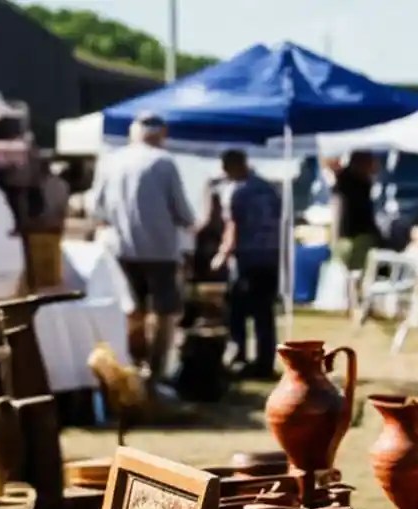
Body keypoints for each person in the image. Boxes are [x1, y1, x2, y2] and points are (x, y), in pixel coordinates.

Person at [88, 112, 195, 385]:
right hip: (159, 248)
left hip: (120, 247)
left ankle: (129, 364)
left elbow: (95, 206)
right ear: (161, 134)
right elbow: (182, 210)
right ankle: (155, 371)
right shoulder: (163, 162)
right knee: (164, 312)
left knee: (129, 308)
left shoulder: (111, 160)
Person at [211, 150, 282, 379]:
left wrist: (221, 255)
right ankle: (265, 362)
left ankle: (239, 355)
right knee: (264, 314)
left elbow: (233, 228)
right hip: (270, 257)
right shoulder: (269, 189)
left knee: (236, 312)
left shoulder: (236, 192)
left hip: (246, 259)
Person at [331, 151, 380, 271]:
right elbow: (339, 208)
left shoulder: (358, 181)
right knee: (356, 269)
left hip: (353, 235)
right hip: (353, 235)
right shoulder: (350, 183)